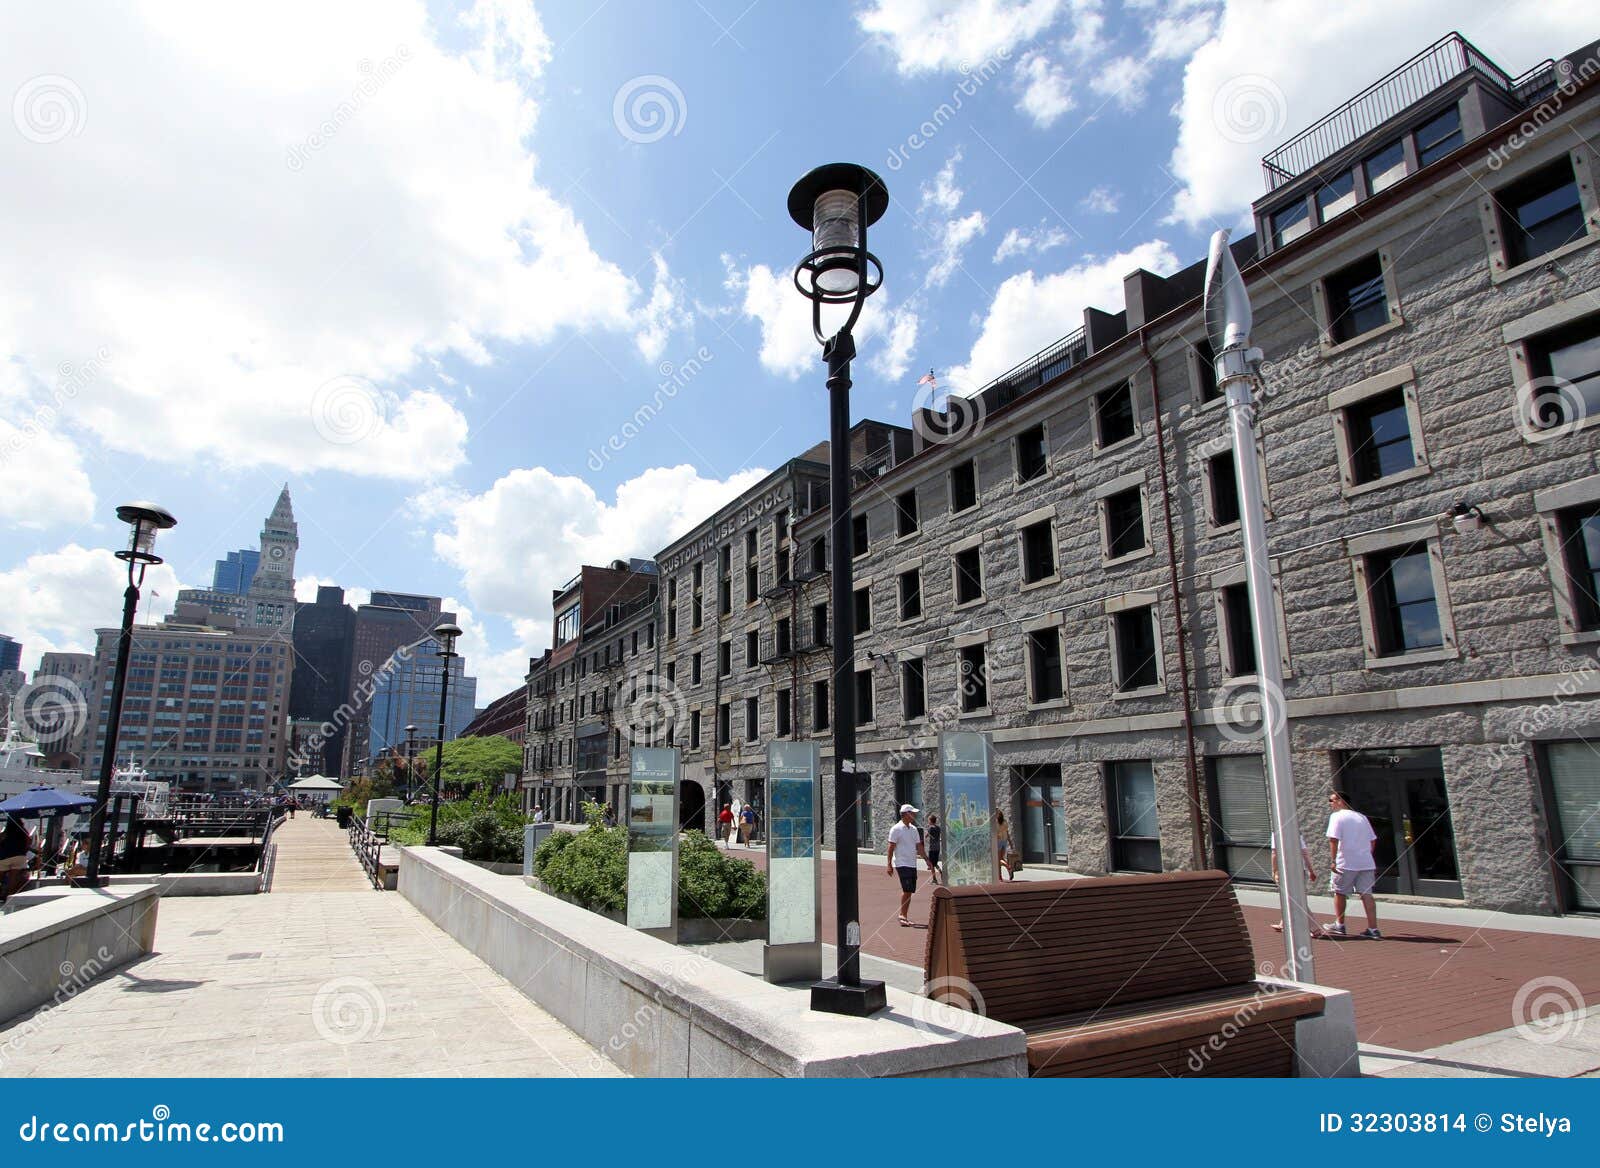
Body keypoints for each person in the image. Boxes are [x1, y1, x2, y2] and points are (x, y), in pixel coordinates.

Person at [1326, 791, 1381, 938]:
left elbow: (1333, 839)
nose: (1330, 804)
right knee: (1367, 894)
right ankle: (1373, 929)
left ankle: (1340, 925)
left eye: (1331, 801)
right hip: (1366, 862)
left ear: (1340, 801)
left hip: (1345, 862)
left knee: (1339, 892)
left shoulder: (1336, 816)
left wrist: (1333, 860)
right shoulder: (1361, 817)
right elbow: (1373, 840)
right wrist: (1366, 854)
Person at [1268, 831, 1320, 935]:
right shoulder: (1296, 831)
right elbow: (1304, 852)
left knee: (1294, 898)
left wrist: (1274, 871)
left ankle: (1314, 927)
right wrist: (1311, 870)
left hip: (1285, 870)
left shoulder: (1276, 832)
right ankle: (1284, 924)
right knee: (1291, 897)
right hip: (1300, 869)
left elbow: (1275, 853)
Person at [886, 804, 928, 926]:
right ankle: (902, 915)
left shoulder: (914, 829)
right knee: (907, 889)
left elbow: (919, 846)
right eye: (912, 813)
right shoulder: (896, 829)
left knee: (910, 890)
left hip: (912, 863)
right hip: (901, 863)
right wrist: (889, 864)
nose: (915, 815)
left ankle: (904, 915)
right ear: (906, 814)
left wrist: (926, 860)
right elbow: (890, 847)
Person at [0, 815, 36, 900]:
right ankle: (9, 895)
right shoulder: (24, 832)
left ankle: (2, 892)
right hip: (20, 856)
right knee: (13, 878)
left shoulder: (6, 832)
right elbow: (29, 842)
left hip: (4, 857)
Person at [994, 810, 1016, 881]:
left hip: (998, 841)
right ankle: (1000, 876)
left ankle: (1008, 867)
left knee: (998, 860)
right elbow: (1007, 833)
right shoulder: (1005, 822)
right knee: (1001, 858)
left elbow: (995, 833)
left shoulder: (995, 822)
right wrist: (1010, 843)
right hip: (1004, 841)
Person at [924, 812, 943, 885]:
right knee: (935, 863)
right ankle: (941, 872)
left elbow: (926, 836)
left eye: (928, 820)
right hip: (937, 848)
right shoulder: (938, 828)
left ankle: (934, 879)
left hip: (932, 848)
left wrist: (927, 832)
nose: (928, 821)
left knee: (931, 864)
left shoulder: (930, 828)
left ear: (930, 821)